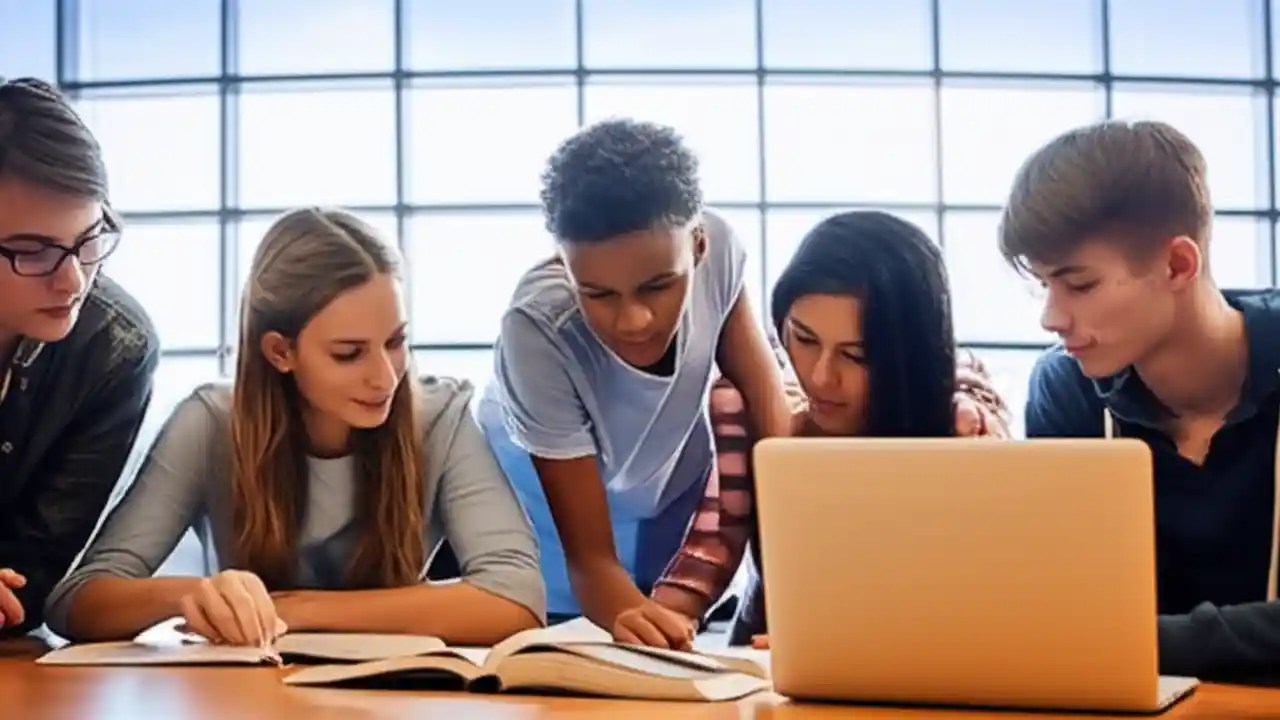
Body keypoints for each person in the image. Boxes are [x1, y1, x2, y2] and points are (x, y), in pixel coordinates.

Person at [477, 118, 1008, 649]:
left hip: (900, 637)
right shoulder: (539, 332)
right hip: (544, 499)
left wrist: (831, 626)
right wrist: (663, 627)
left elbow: (986, 596)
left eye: (856, 354)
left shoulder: (965, 430)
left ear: (699, 248)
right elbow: (692, 545)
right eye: (802, 339)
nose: (633, 320)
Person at [45, 208, 544, 647]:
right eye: (348, 354)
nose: (386, 376)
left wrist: (293, 609)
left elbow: (517, 599)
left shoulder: (439, 417)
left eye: (396, 342)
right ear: (280, 352)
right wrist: (196, 596)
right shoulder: (211, 422)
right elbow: (78, 602)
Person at [650, 210, 1009, 647]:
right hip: (771, 651)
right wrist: (655, 622)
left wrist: (966, 419)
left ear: (908, 358)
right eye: (803, 339)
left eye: (855, 356)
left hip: (923, 649)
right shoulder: (755, 406)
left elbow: (982, 583)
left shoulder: (960, 412)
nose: (820, 377)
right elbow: (712, 543)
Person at [1004, 119, 1280, 684]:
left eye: (1079, 285)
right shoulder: (1068, 390)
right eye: (1043, 285)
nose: (1051, 318)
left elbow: (1087, 637)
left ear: (1179, 265)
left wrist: (1130, 641)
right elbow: (1070, 610)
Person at [0, 77, 159, 637]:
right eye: (33, 251)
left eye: (90, 240)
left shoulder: (113, 347)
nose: (73, 280)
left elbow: (33, 579)